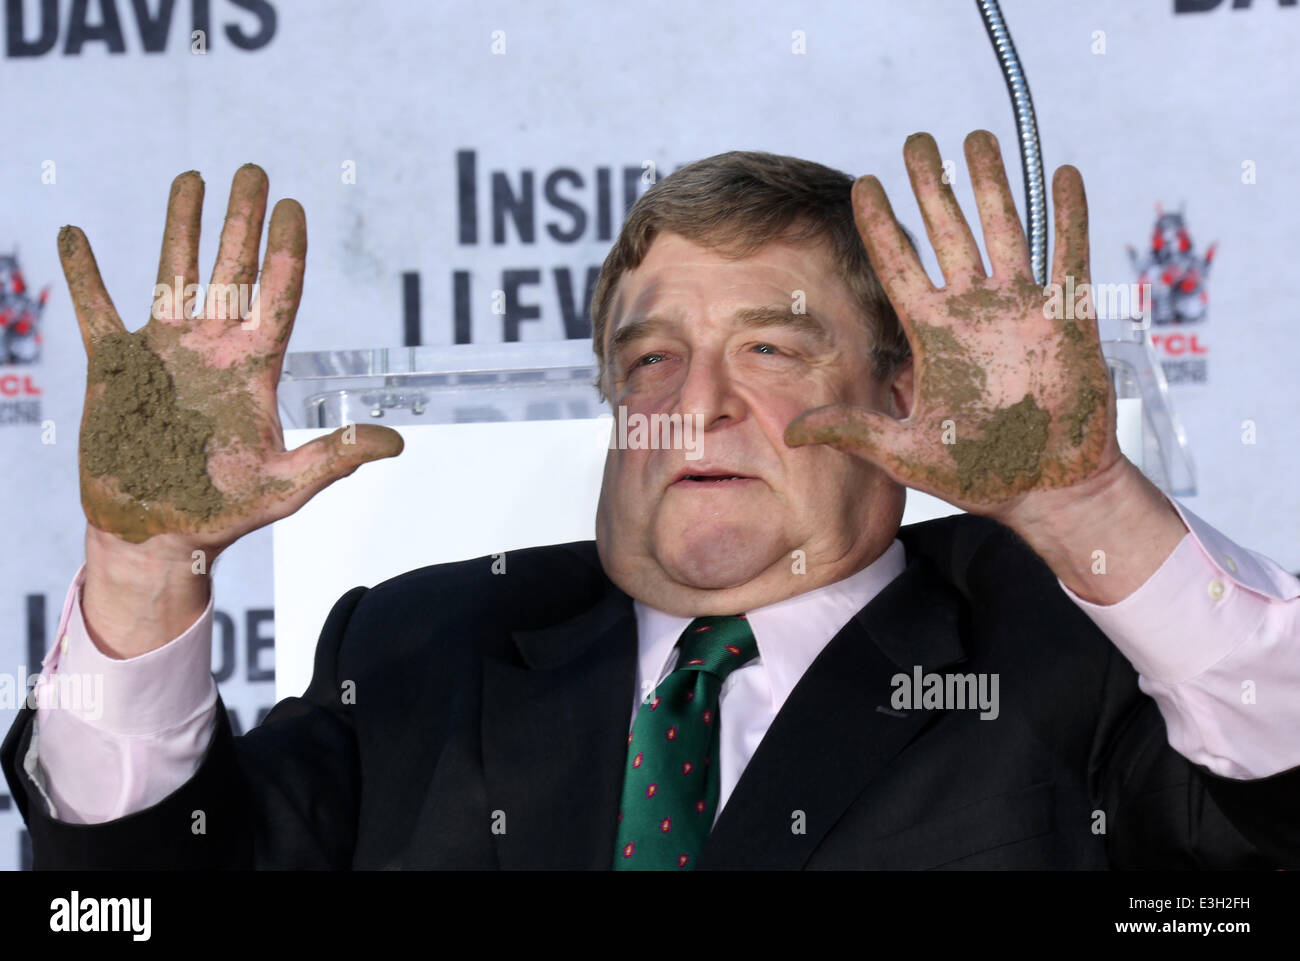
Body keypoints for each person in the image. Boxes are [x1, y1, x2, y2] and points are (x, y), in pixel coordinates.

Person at [3, 132, 1297, 869]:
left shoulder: (1066, 642)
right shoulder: (414, 651)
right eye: (651, 358)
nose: (700, 402)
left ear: (906, 393)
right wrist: (144, 565)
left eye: (772, 348)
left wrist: (1088, 508)